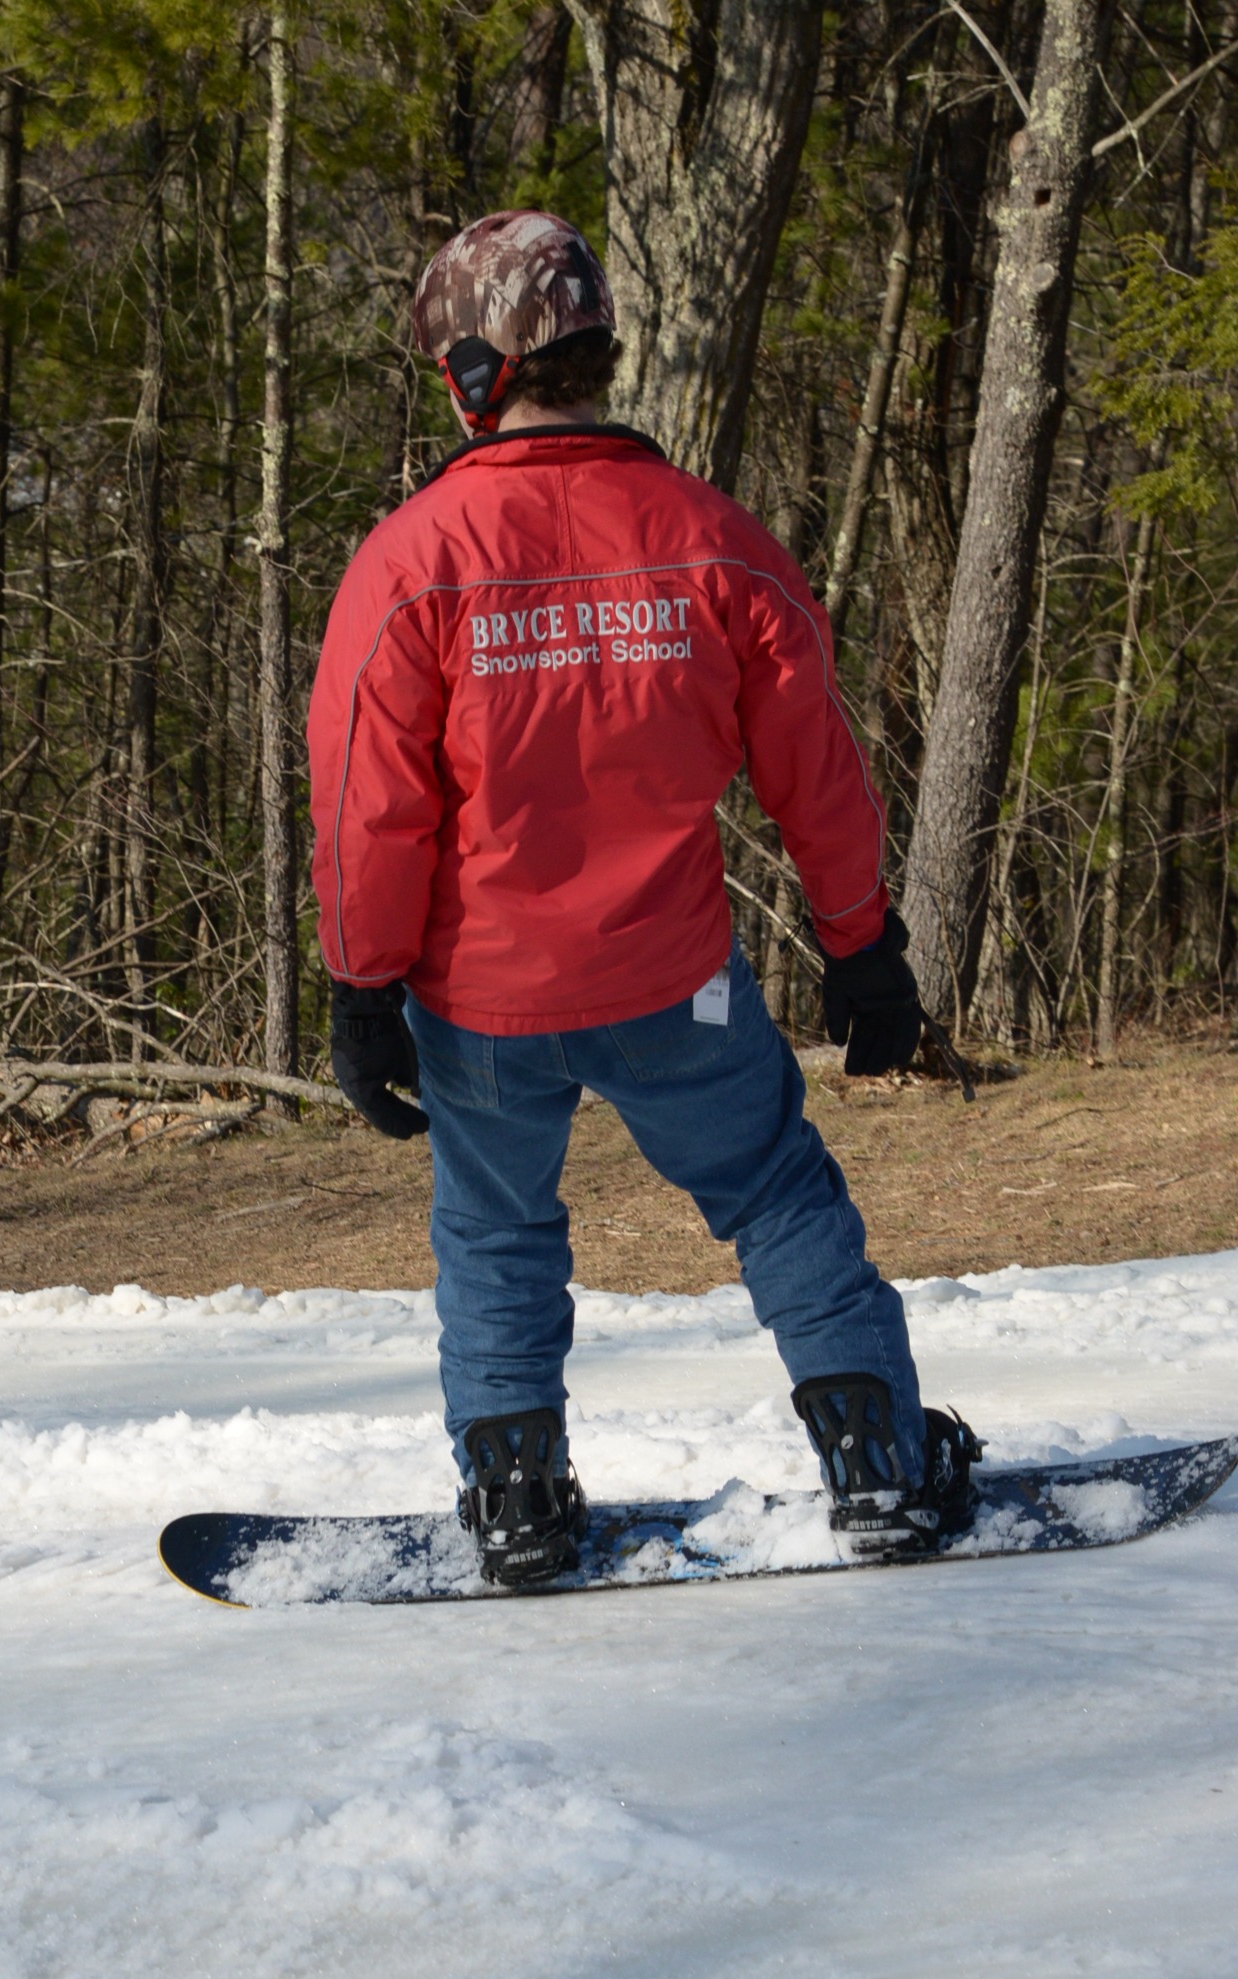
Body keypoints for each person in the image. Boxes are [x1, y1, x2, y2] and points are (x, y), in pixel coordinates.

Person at [306, 208, 978, 1589]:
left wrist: (363, 985)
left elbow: (372, 801)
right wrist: (864, 951)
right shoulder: (714, 540)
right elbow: (820, 775)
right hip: (680, 983)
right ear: (598, 357)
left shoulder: (413, 561)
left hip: (480, 994)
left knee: (496, 1230)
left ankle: (517, 1505)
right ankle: (879, 1467)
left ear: (477, 372)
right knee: (778, 1195)